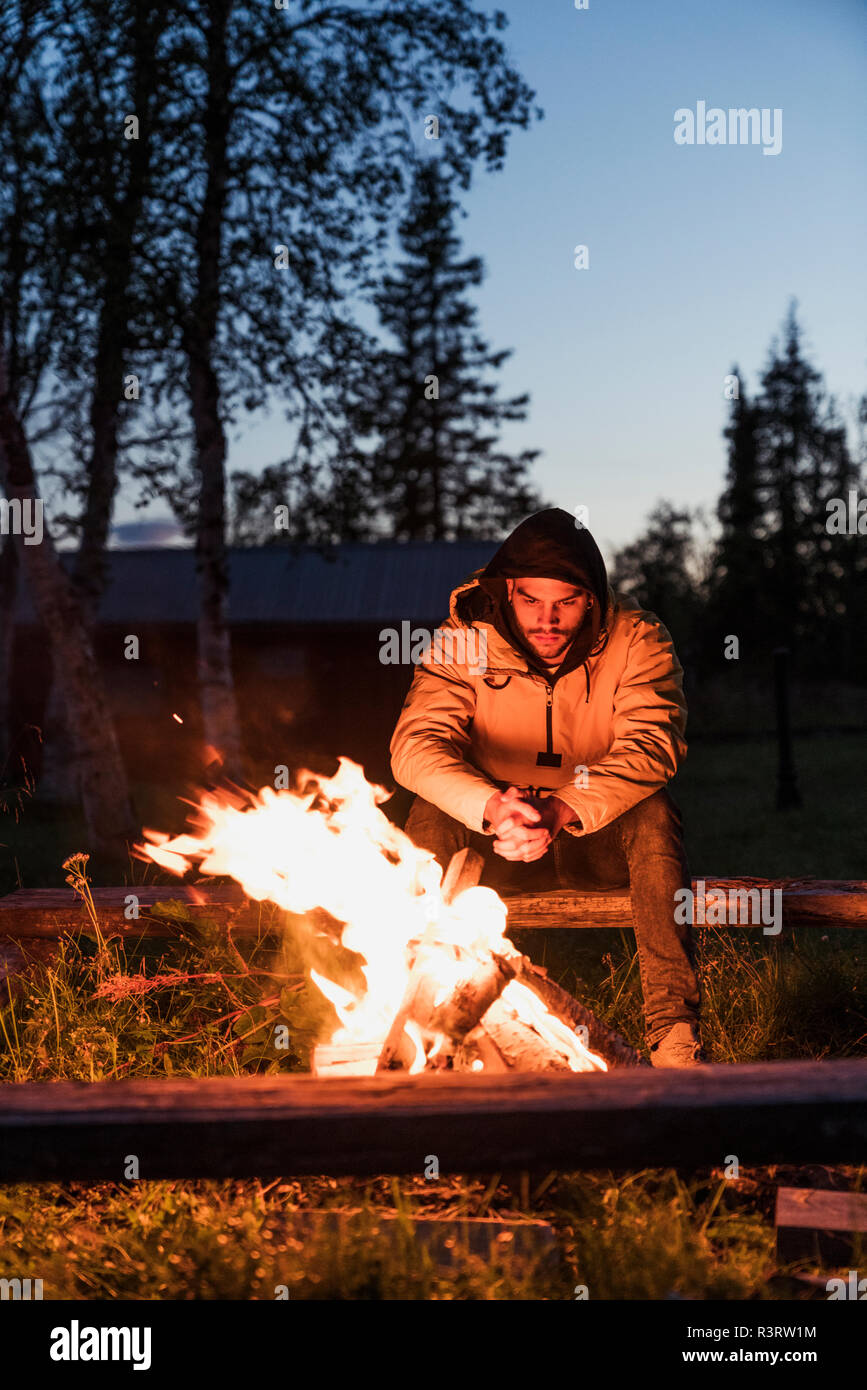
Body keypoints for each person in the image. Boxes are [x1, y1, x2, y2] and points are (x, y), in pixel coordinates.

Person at [389, 507, 704, 1067]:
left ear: (593, 599)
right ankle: (408, 1017)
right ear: (508, 591)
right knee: (428, 817)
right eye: (532, 600)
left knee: (656, 814)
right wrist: (492, 806)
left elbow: (652, 745)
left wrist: (562, 808)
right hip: (495, 839)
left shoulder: (638, 638)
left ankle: (674, 1039)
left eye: (566, 602)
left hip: (592, 834)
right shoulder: (465, 640)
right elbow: (416, 744)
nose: (547, 620)